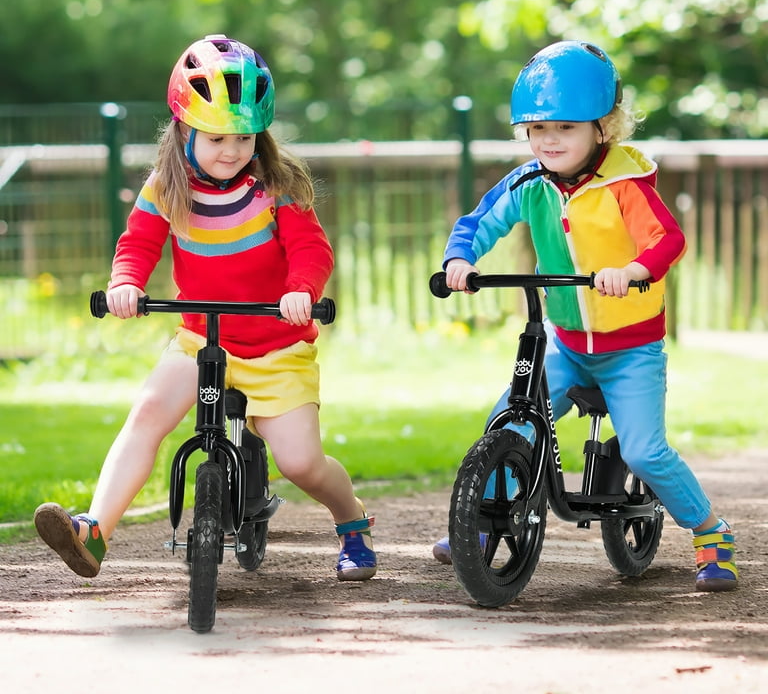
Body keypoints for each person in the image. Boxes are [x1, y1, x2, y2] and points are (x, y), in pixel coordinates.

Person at [34, 34, 376, 582]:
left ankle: (352, 521)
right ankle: (94, 533)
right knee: (147, 413)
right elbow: (138, 243)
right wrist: (126, 283)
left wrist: (300, 290)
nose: (232, 150)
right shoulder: (167, 187)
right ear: (183, 129)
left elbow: (312, 250)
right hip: (200, 338)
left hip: (276, 345)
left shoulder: (276, 187)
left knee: (302, 462)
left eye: (244, 136)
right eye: (216, 136)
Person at [432, 40, 737, 593]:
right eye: (538, 129)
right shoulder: (529, 182)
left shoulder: (625, 186)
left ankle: (711, 534)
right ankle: (481, 521)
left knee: (645, 450)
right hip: (567, 342)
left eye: (565, 128)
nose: (549, 140)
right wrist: (460, 260)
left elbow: (666, 239)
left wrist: (635, 269)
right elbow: (478, 222)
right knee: (508, 417)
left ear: (604, 127)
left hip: (629, 349)